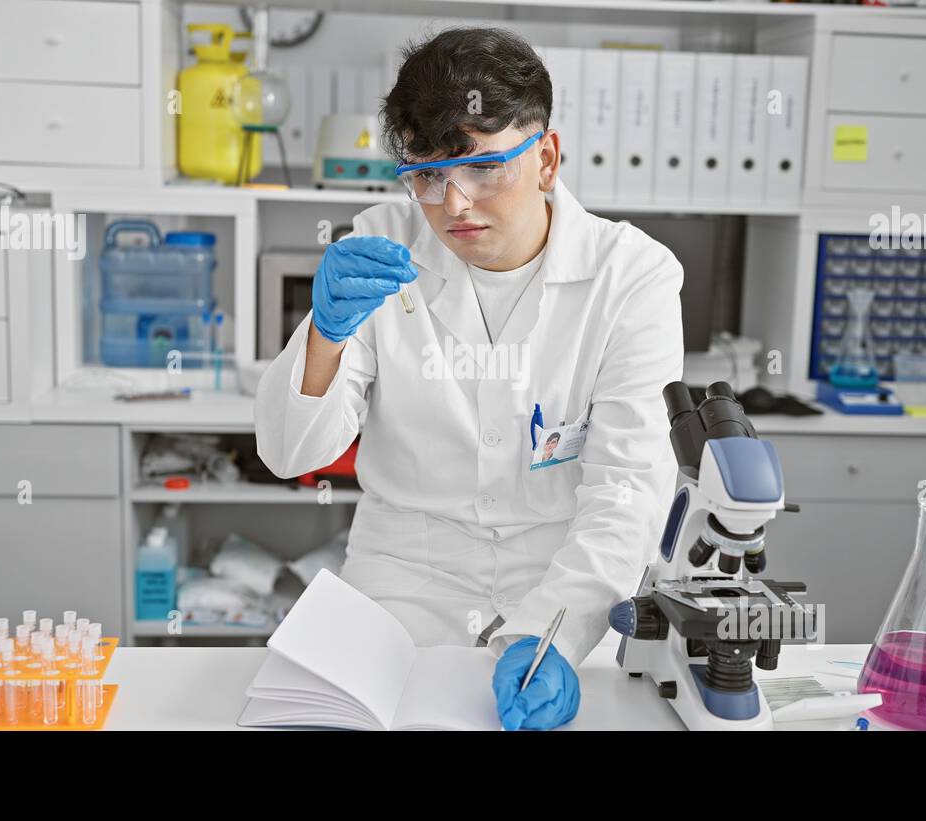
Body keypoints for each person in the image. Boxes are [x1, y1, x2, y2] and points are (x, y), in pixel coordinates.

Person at [255, 27, 684, 730]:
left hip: (567, 592)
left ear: (546, 157)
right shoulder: (385, 244)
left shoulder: (632, 278)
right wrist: (323, 336)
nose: (452, 204)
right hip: (399, 592)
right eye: (427, 173)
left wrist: (553, 633)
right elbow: (288, 452)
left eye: (482, 167)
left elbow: (628, 489)